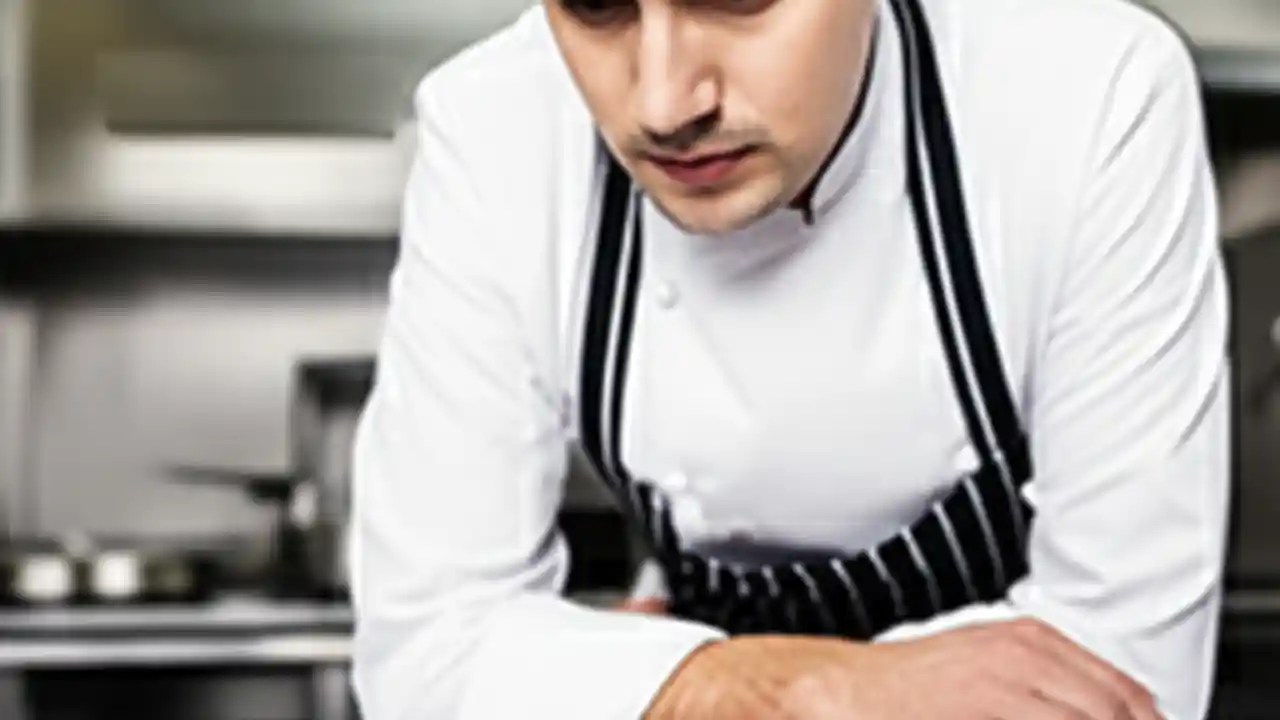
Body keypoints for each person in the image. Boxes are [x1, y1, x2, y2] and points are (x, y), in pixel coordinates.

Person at [348, 0, 1229, 717]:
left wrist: (620, 689)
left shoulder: (1091, 96)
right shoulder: (492, 127)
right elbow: (421, 656)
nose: (664, 103)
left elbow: (1121, 683)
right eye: (596, 6)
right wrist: (767, 688)